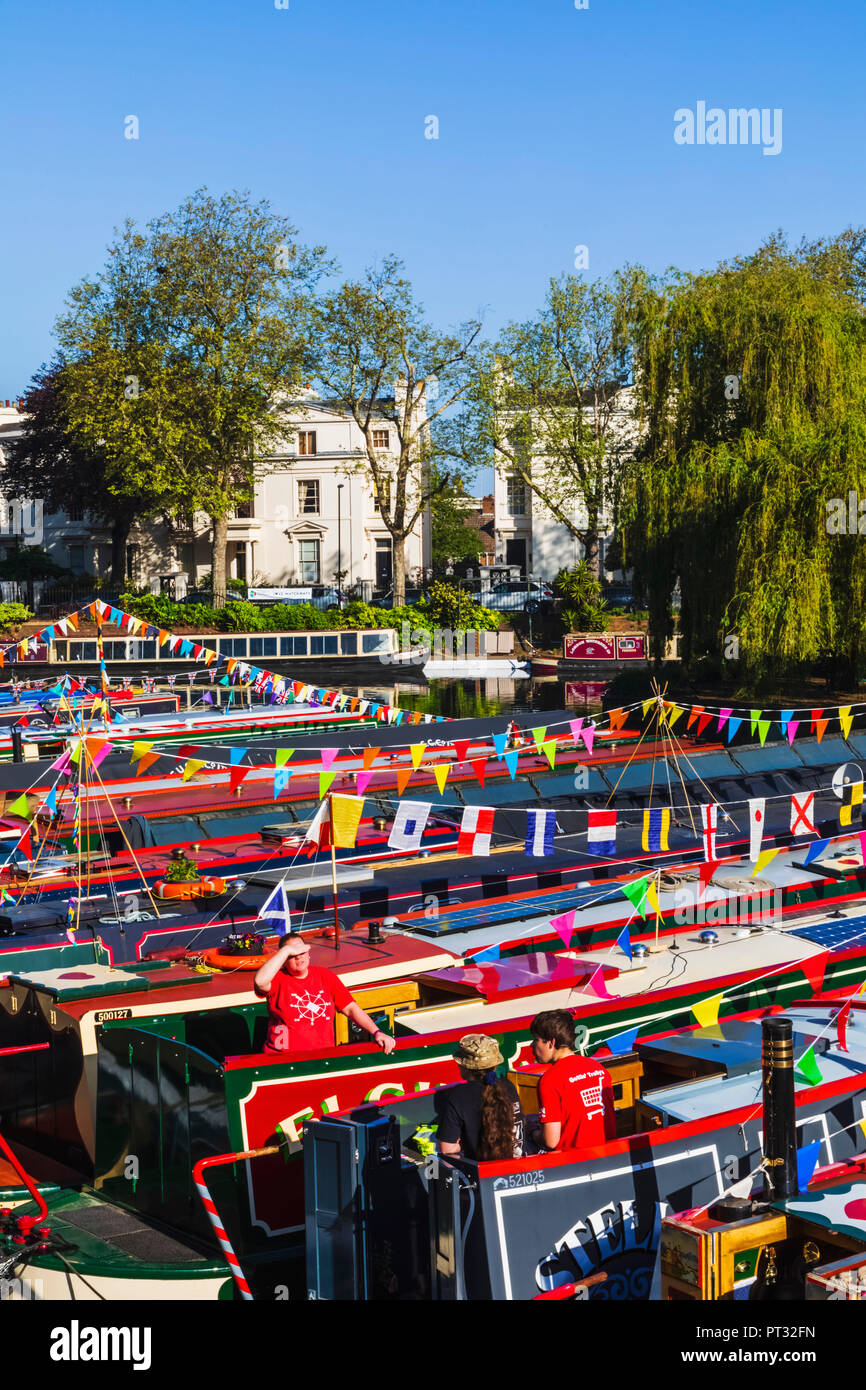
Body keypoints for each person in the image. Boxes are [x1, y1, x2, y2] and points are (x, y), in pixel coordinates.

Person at [253, 935, 397, 1055]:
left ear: (309, 953)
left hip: (323, 1058)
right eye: (292, 955)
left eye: (301, 952)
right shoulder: (277, 979)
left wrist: (377, 1032)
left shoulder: (325, 976)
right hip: (281, 1060)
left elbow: (351, 1009)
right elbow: (260, 981)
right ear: (283, 960)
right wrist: (285, 950)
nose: (298, 958)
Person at [529, 1010, 616, 1152]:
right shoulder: (599, 1069)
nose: (531, 1045)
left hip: (573, 1162)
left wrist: (532, 1133)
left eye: (535, 1039)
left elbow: (550, 1141)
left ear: (551, 1043)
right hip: (608, 1153)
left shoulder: (549, 1080)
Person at [435, 1034, 523, 1161]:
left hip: (482, 1173)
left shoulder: (459, 1095)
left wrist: (463, 1145)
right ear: (495, 1064)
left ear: (465, 1067)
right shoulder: (508, 1086)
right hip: (516, 1169)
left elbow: (446, 1149)